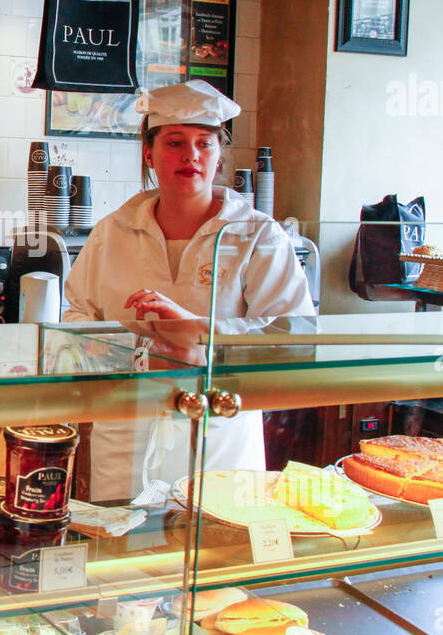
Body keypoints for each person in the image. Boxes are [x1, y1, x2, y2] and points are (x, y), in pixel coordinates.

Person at [63, 79, 314, 502]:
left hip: (219, 433)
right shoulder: (113, 232)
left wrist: (198, 337)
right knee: (124, 558)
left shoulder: (256, 235)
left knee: (220, 554)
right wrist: (138, 351)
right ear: (149, 152)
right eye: (175, 142)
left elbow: (296, 339)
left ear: (219, 154)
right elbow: (74, 320)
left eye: (205, 143)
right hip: (128, 434)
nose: (191, 156)